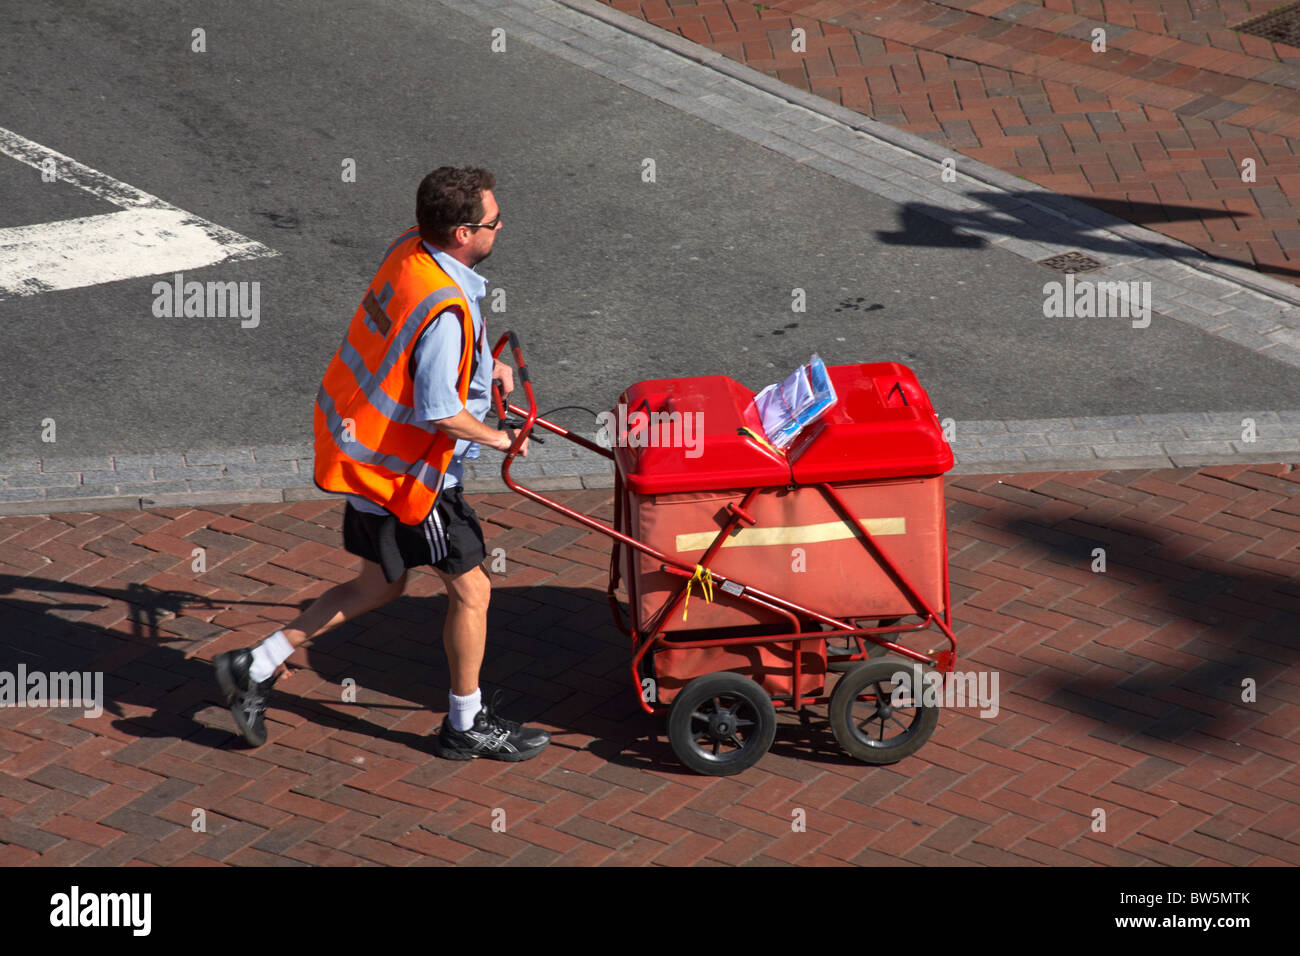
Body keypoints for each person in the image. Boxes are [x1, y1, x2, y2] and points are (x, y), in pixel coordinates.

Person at [214, 166, 550, 761]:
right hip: (412, 479)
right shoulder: (447, 307)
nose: (503, 227)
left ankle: (254, 664)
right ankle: (464, 725)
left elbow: (410, 350)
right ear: (464, 233)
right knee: (473, 593)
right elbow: (439, 411)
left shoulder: (411, 250)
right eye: (495, 222)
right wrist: (500, 440)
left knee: (379, 584)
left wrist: (483, 373)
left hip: (365, 462)